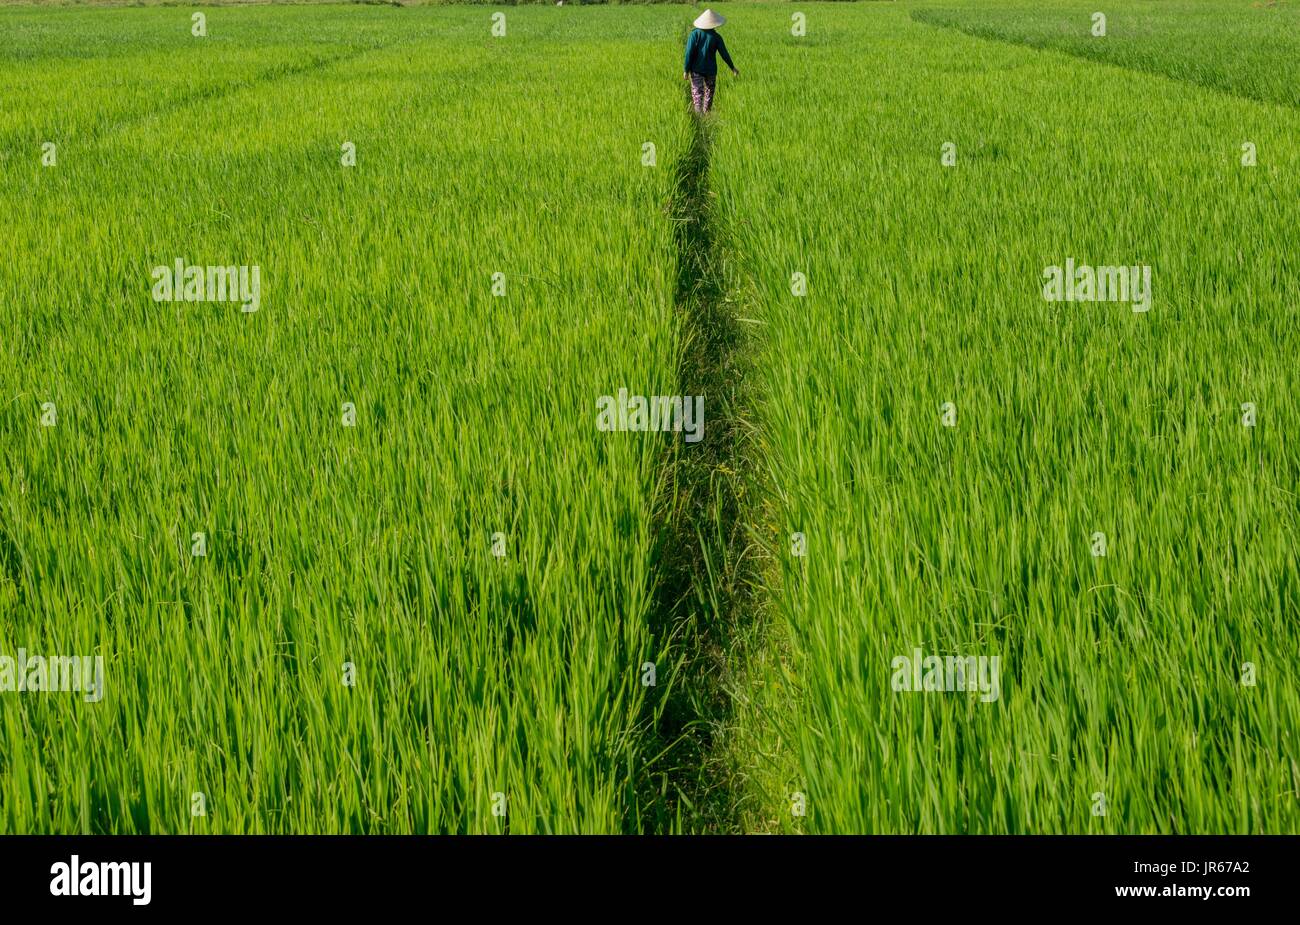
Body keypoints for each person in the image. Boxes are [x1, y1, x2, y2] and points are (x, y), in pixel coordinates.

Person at [682, 10, 738, 114]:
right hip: (711, 70)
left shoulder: (694, 34)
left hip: (696, 70)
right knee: (709, 93)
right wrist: (733, 68)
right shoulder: (716, 37)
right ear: (714, 23)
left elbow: (689, 53)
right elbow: (724, 54)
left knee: (697, 93)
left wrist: (686, 70)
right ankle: (707, 114)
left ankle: (699, 115)